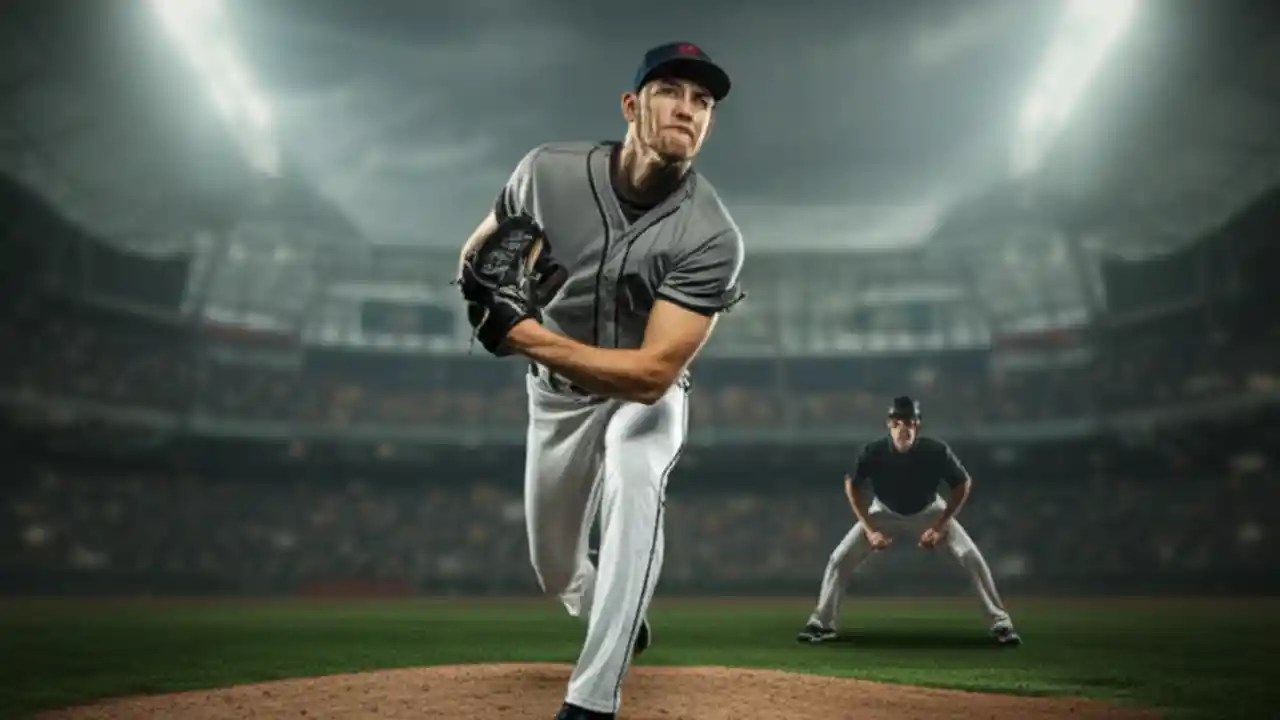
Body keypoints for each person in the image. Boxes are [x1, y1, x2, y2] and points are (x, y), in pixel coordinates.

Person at [456, 42, 745, 720]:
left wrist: (521, 331)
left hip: (645, 398)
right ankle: (612, 604)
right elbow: (477, 259)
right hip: (555, 400)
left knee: (636, 473)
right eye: (671, 90)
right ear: (631, 105)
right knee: (554, 569)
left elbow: (651, 375)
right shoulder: (546, 173)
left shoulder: (713, 235)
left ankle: (592, 699)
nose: (688, 108)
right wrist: (482, 286)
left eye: (703, 101)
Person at [795, 396, 1022, 647]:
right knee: (839, 558)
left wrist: (940, 525)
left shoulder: (935, 451)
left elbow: (963, 484)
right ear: (889, 425)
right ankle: (822, 623)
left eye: (910, 422)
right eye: (898, 422)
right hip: (884, 511)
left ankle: (1000, 622)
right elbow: (851, 485)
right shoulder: (874, 452)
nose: (904, 428)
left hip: (929, 510)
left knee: (970, 555)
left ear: (918, 426)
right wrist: (870, 529)